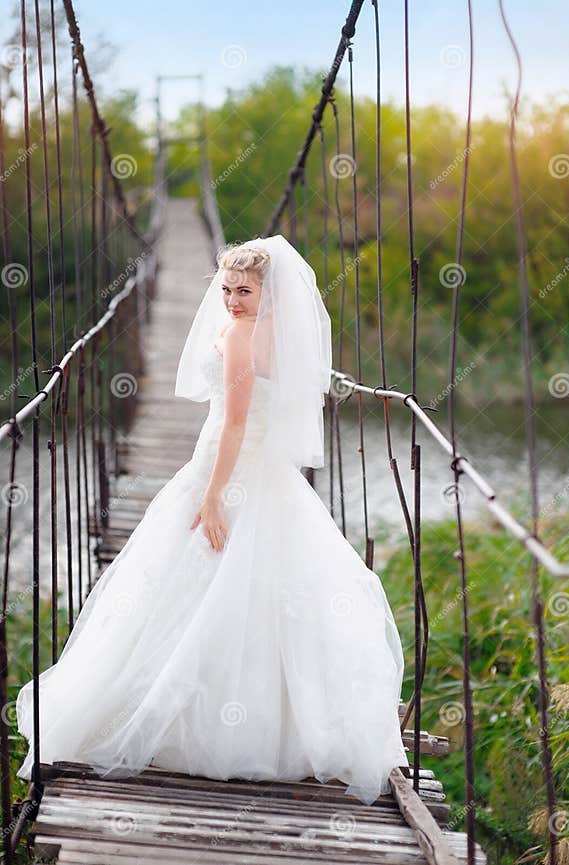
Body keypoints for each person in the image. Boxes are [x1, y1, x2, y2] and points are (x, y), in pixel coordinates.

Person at [16, 234, 409, 805]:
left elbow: (234, 426)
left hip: (227, 472)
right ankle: (260, 725)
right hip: (261, 476)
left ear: (267, 293)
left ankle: (192, 723)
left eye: (245, 291)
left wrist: (214, 495)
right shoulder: (273, 334)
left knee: (195, 577)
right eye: (225, 288)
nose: (231, 299)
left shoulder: (245, 340)